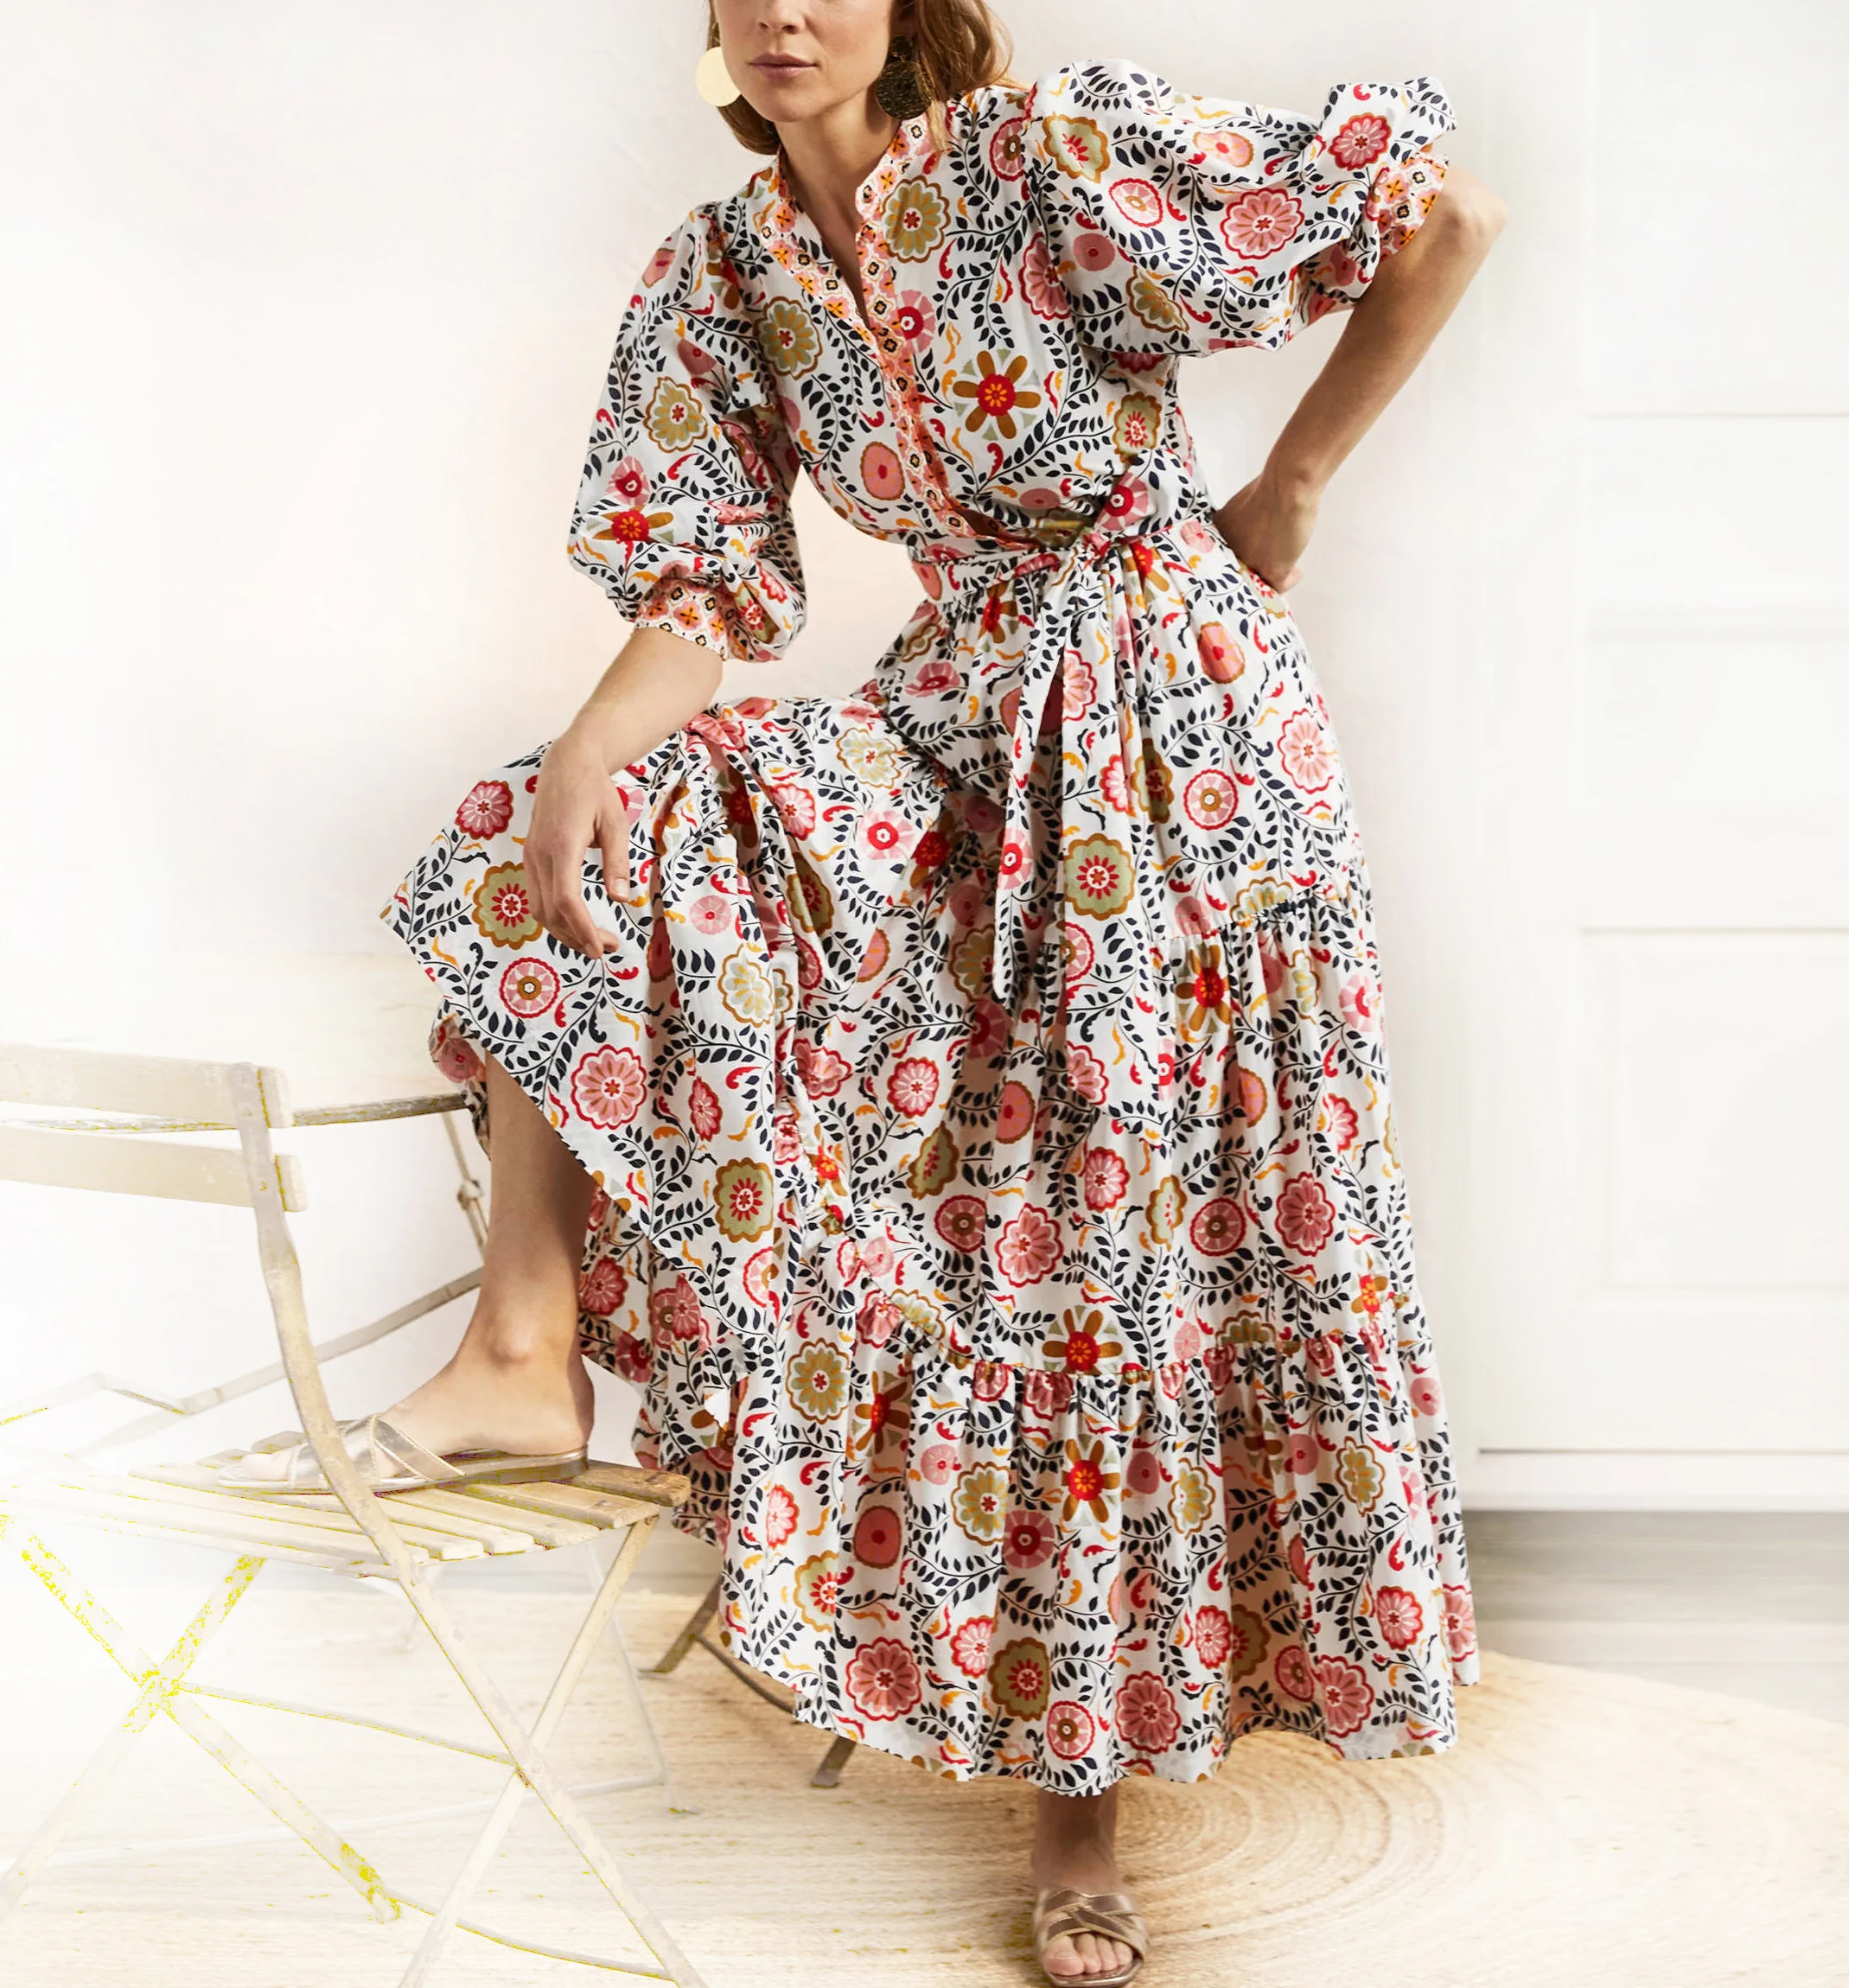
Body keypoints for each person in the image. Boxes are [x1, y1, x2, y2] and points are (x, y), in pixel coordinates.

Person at [226, 3, 1506, 1979]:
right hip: (957, 715)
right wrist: (589, 754)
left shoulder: (1036, 156)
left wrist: (1293, 486)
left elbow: (1444, 215)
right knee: (569, 839)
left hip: (1170, 735)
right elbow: (701, 592)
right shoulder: (729, 267)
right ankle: (522, 1345)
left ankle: (1080, 1822)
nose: (786, 12)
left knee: (1100, 1244)